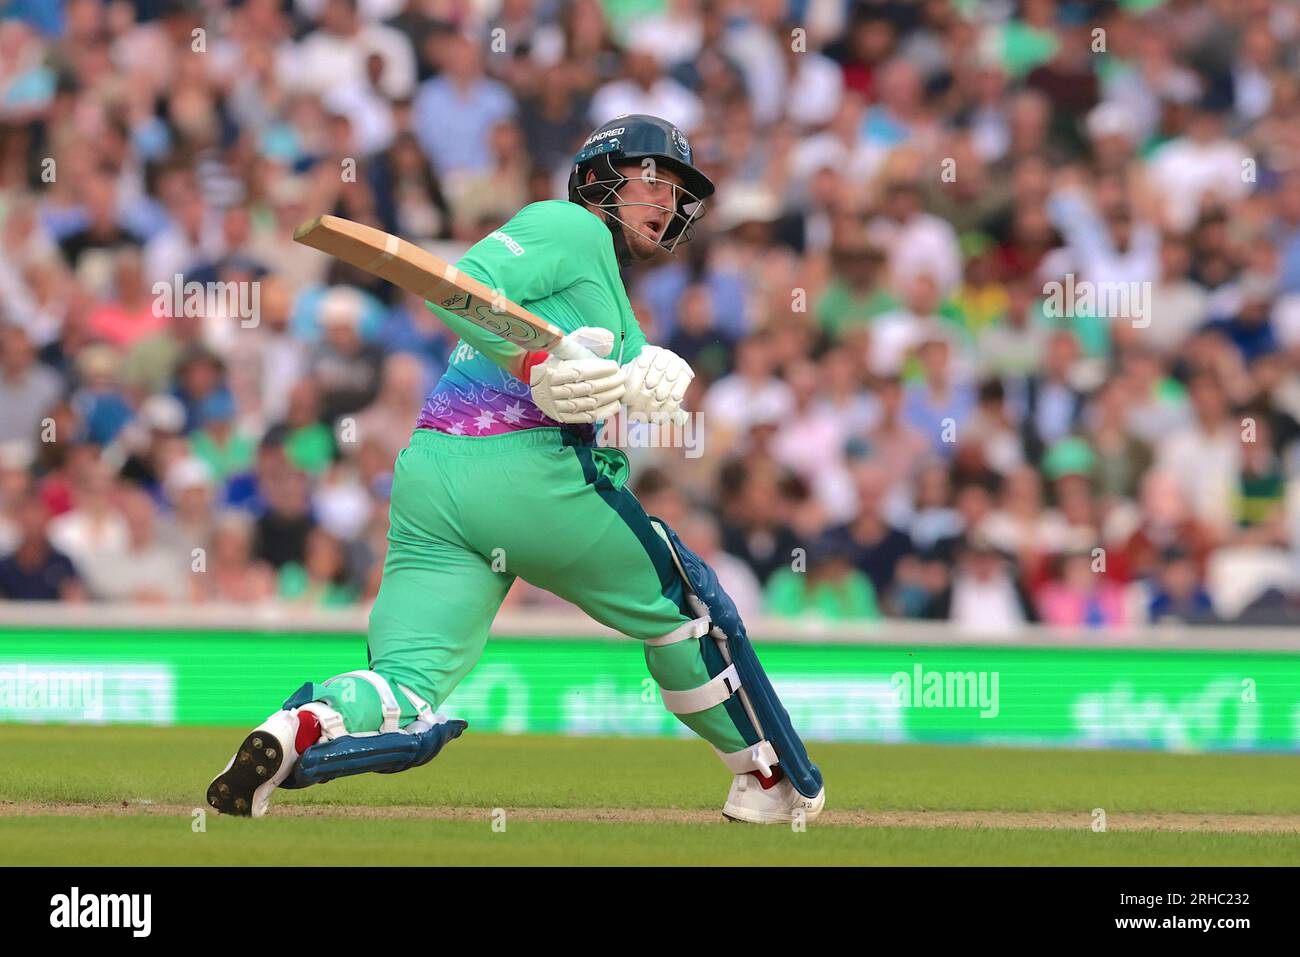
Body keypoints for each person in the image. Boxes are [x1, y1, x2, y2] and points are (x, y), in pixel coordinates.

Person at [208, 115, 825, 824]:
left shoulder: (610, 293)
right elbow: (464, 282)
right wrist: (537, 364)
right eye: (654, 177)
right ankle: (774, 779)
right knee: (688, 611)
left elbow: (566, 355)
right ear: (598, 177)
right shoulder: (572, 226)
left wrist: (639, 378)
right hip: (531, 475)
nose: (667, 200)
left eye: (678, 188)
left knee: (405, 685)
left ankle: (298, 729)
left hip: (433, 476)